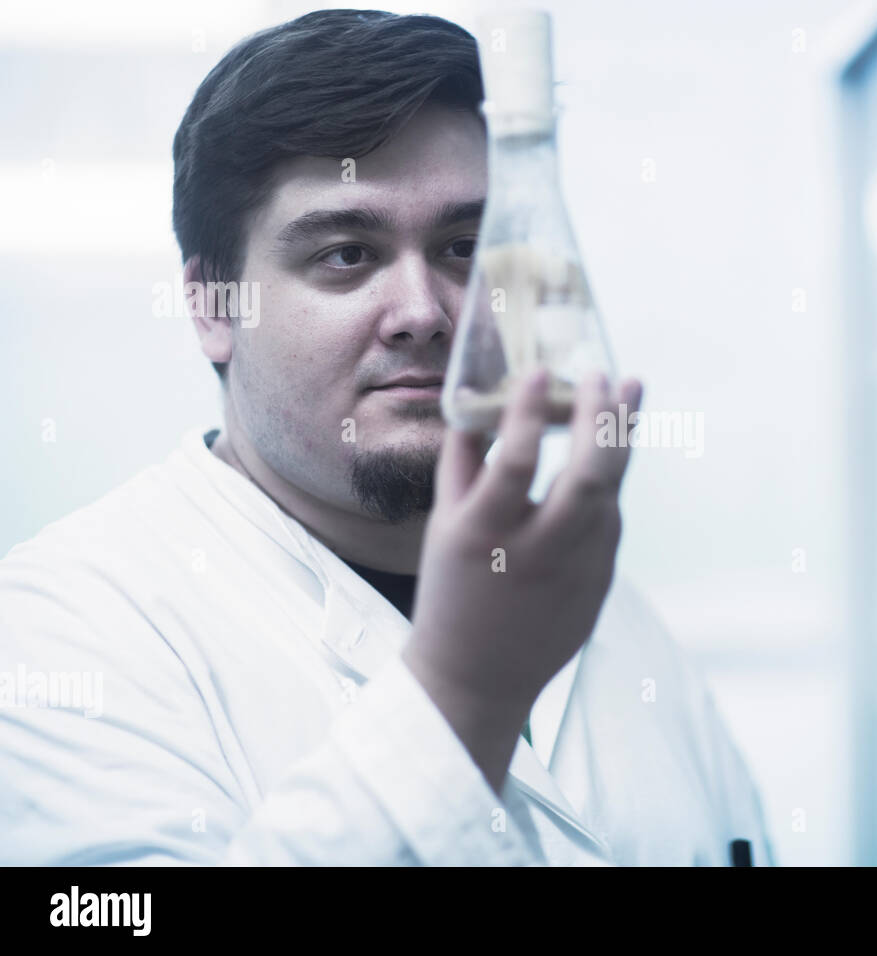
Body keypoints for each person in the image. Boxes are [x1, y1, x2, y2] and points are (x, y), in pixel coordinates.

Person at [0, 9, 772, 866]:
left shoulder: (612, 616)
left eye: (466, 247)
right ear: (214, 306)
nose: (423, 314)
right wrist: (462, 693)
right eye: (345, 254)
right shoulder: (60, 633)